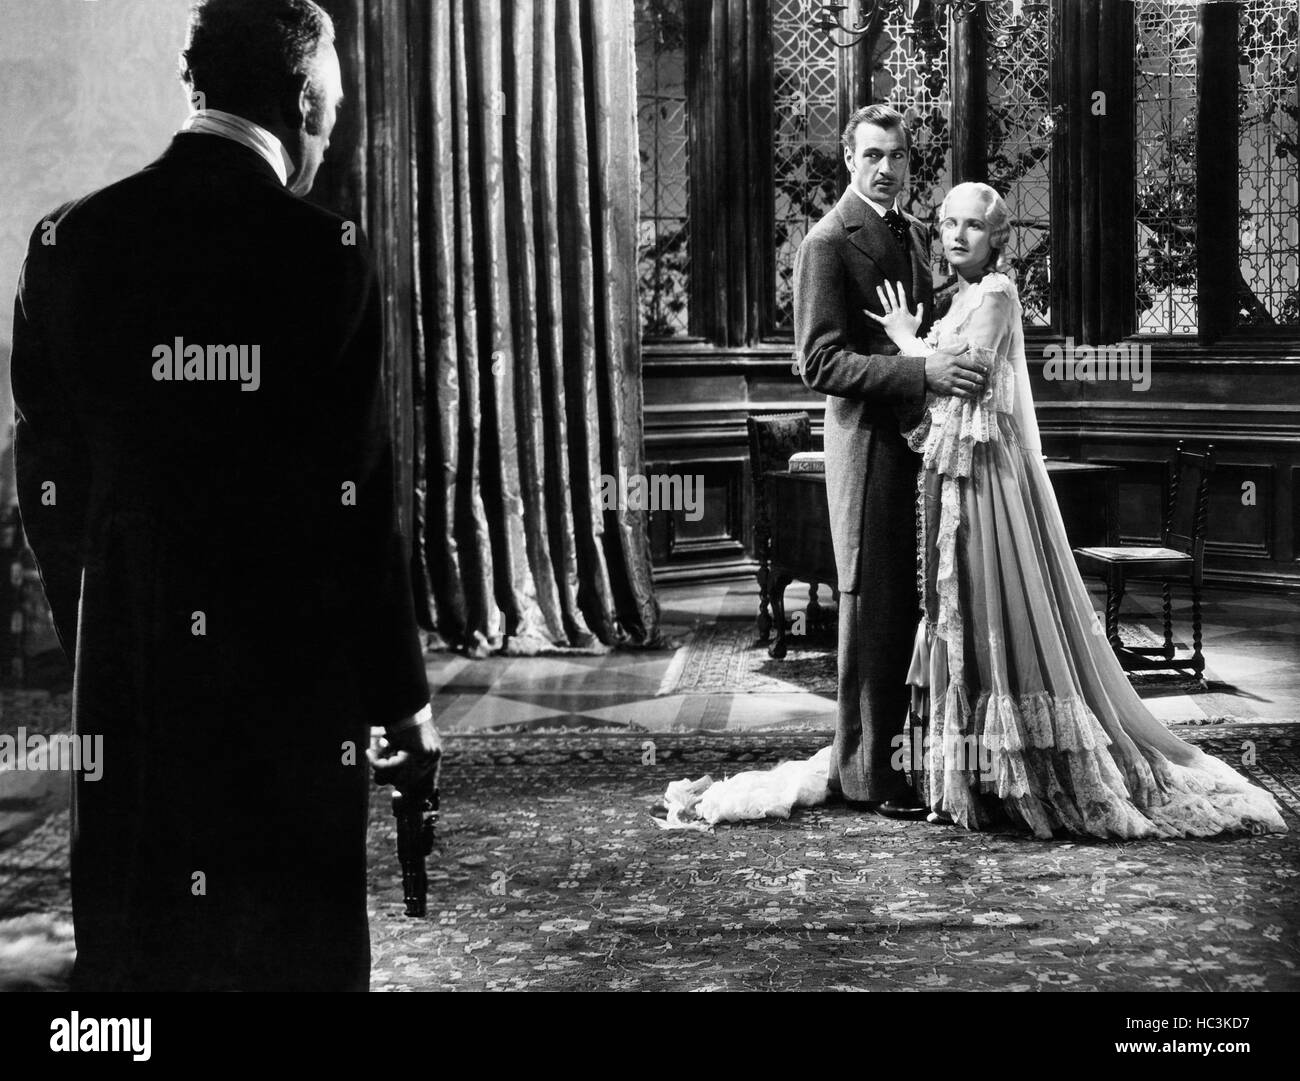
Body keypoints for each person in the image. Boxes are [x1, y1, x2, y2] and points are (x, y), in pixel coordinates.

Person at [11, 0, 441, 989]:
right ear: (300, 99)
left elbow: (47, 487)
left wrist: (111, 620)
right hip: (290, 672)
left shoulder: (65, 244)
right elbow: (358, 505)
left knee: (141, 935)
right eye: (328, 114)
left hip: (131, 660)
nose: (326, 140)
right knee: (291, 942)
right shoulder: (322, 254)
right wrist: (401, 702)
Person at [865, 181, 1285, 838]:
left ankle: (1017, 771)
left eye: (972, 225)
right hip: (955, 475)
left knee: (996, 610)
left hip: (988, 482)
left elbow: (967, 376)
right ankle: (972, 775)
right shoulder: (959, 299)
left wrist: (906, 342)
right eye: (946, 223)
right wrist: (921, 344)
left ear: (999, 238)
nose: (955, 235)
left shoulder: (998, 294)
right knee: (961, 612)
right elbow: (942, 387)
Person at [794, 105, 983, 816]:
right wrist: (922, 372)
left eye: (898, 156)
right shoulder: (826, 242)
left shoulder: (909, 232)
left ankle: (903, 759)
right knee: (872, 607)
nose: (886, 168)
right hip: (869, 448)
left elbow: (917, 327)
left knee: (911, 604)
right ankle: (870, 775)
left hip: (914, 444)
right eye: (872, 154)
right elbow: (817, 360)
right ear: (849, 158)